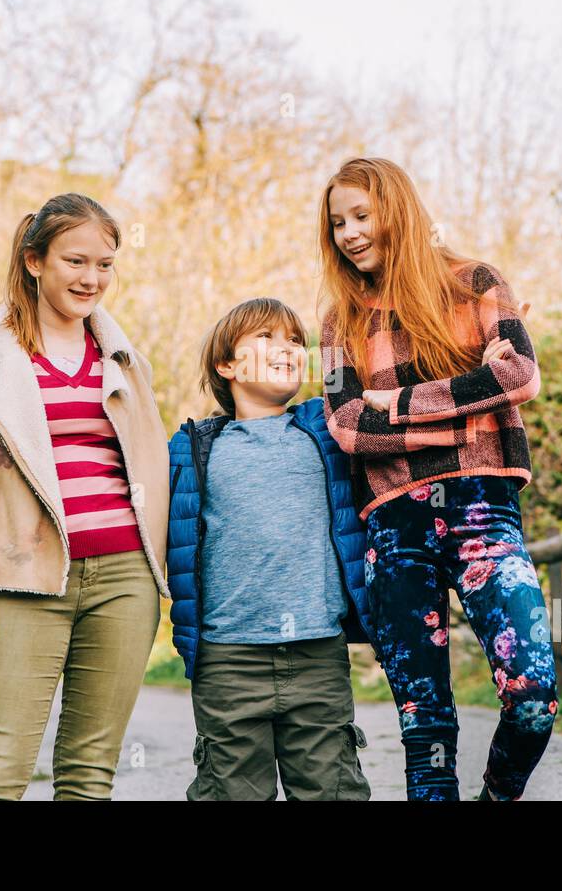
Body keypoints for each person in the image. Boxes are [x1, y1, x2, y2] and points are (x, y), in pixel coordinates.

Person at [316, 156, 557, 801]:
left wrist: (391, 407)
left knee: (533, 697)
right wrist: (464, 408)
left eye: (362, 216)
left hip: (484, 509)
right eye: (338, 223)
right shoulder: (342, 318)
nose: (350, 233)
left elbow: (519, 378)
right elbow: (345, 426)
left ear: (397, 210)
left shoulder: (476, 283)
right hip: (393, 521)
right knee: (427, 735)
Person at [0, 192, 169, 800]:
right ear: (35, 261)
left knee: (89, 778)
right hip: (25, 583)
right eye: (75, 261)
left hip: (125, 581)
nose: (92, 279)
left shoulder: (124, 359)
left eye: (105, 264)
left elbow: (152, 466)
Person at [166, 298, 375, 800]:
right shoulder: (192, 447)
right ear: (227, 364)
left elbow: (393, 389)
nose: (286, 348)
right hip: (227, 658)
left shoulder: (329, 430)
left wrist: (470, 359)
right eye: (265, 337)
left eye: (294, 341)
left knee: (334, 790)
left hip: (318, 652)